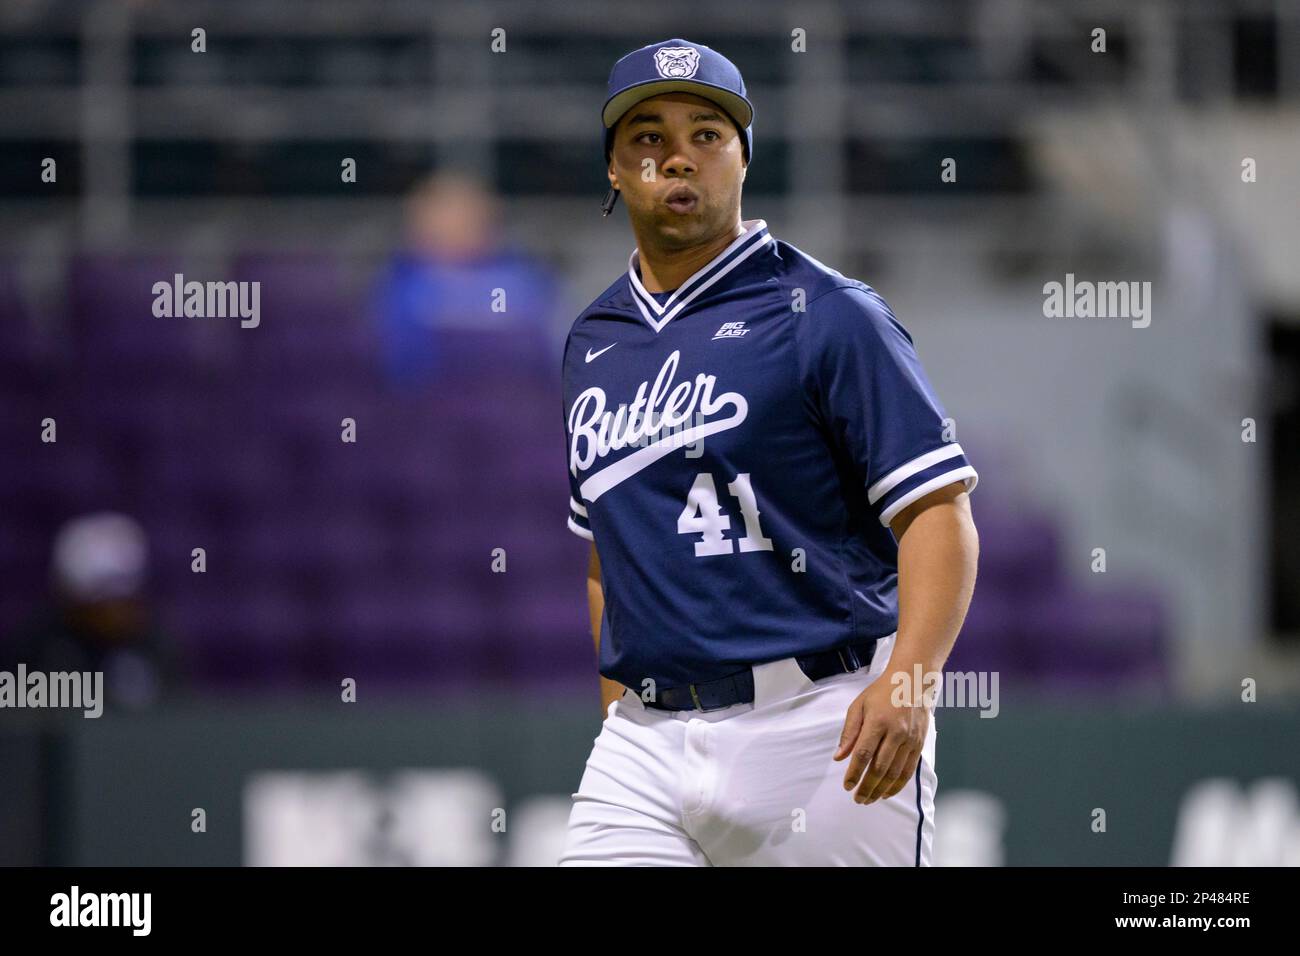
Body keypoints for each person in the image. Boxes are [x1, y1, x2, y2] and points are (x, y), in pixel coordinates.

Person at [558, 39, 980, 866]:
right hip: (644, 743)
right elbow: (608, 553)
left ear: (744, 159)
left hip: (820, 721)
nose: (677, 156)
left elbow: (938, 512)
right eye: (647, 137)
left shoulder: (828, 314)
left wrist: (910, 681)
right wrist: (617, 711)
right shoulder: (592, 340)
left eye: (706, 134)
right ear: (614, 169)